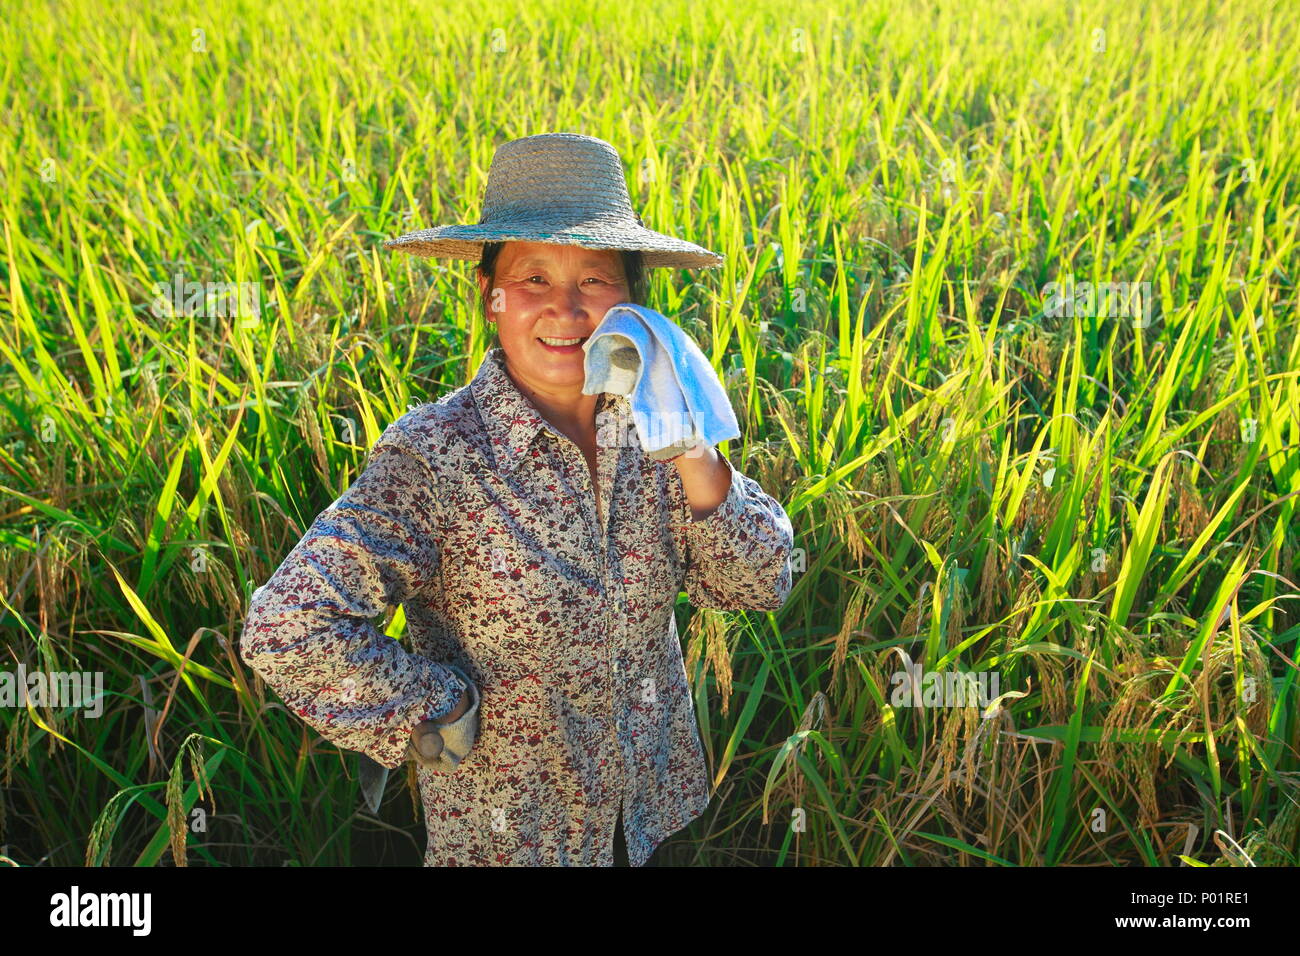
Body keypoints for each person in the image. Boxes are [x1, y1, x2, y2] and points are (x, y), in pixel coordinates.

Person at [240, 132, 794, 866]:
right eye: (533, 279)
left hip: (658, 816)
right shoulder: (436, 455)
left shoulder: (655, 424)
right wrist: (438, 703)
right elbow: (287, 627)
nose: (565, 310)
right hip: (519, 842)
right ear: (489, 295)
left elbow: (758, 583)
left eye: (595, 281)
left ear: (632, 304)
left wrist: (692, 440)